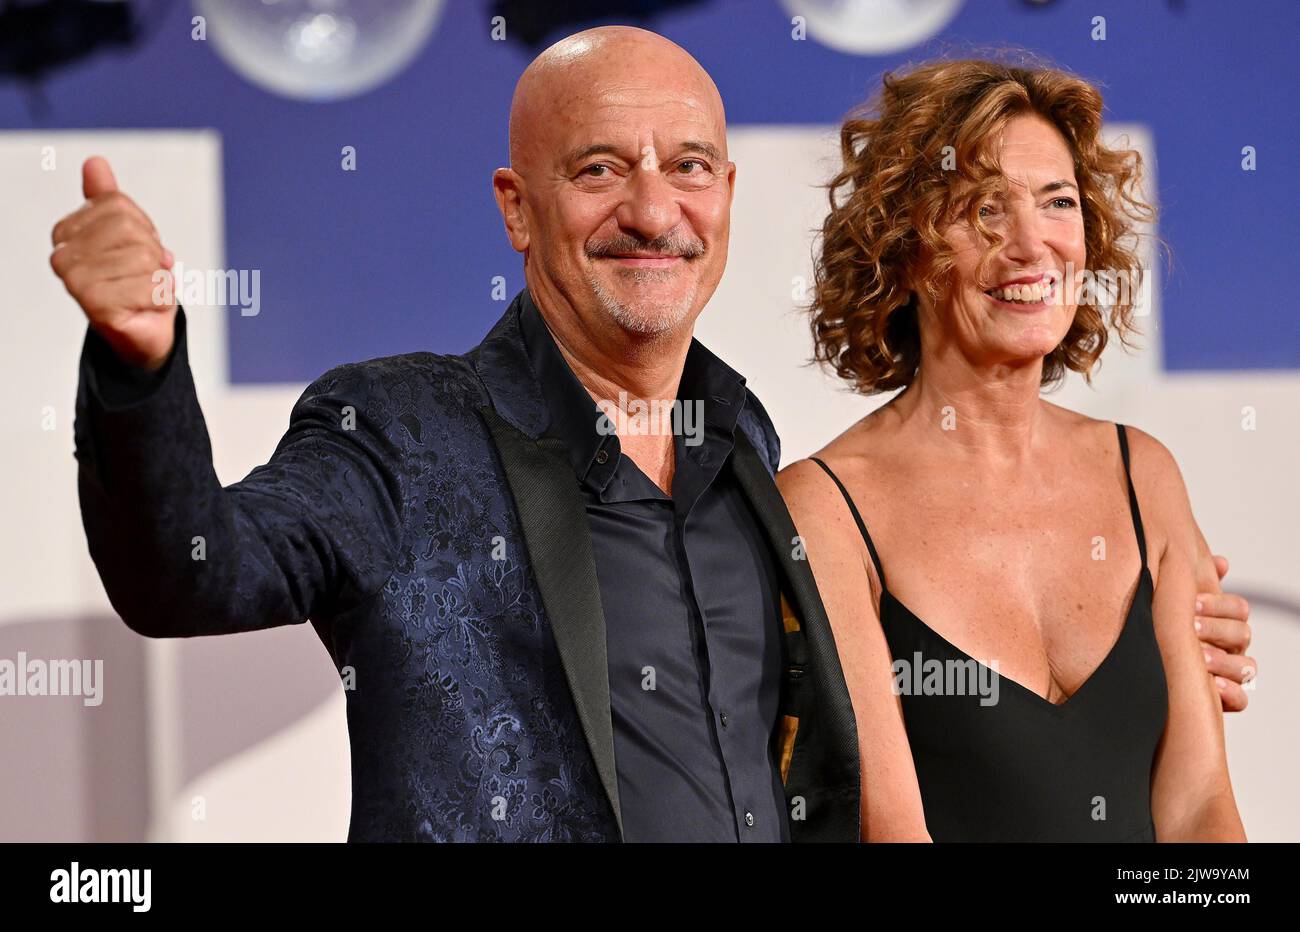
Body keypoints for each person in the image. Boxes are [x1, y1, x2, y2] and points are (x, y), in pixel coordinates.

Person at [49, 29, 1252, 843]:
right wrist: (139, 366)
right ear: (517, 209)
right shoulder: (402, 430)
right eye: (598, 170)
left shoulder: (743, 449)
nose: (651, 209)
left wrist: (1154, 642)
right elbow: (187, 571)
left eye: (685, 167)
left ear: (725, 195)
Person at [778, 58, 1249, 841]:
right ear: (906, 245)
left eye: (1057, 202)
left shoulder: (1146, 474)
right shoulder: (825, 506)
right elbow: (891, 832)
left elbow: (1200, 809)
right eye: (983, 209)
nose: (1031, 245)